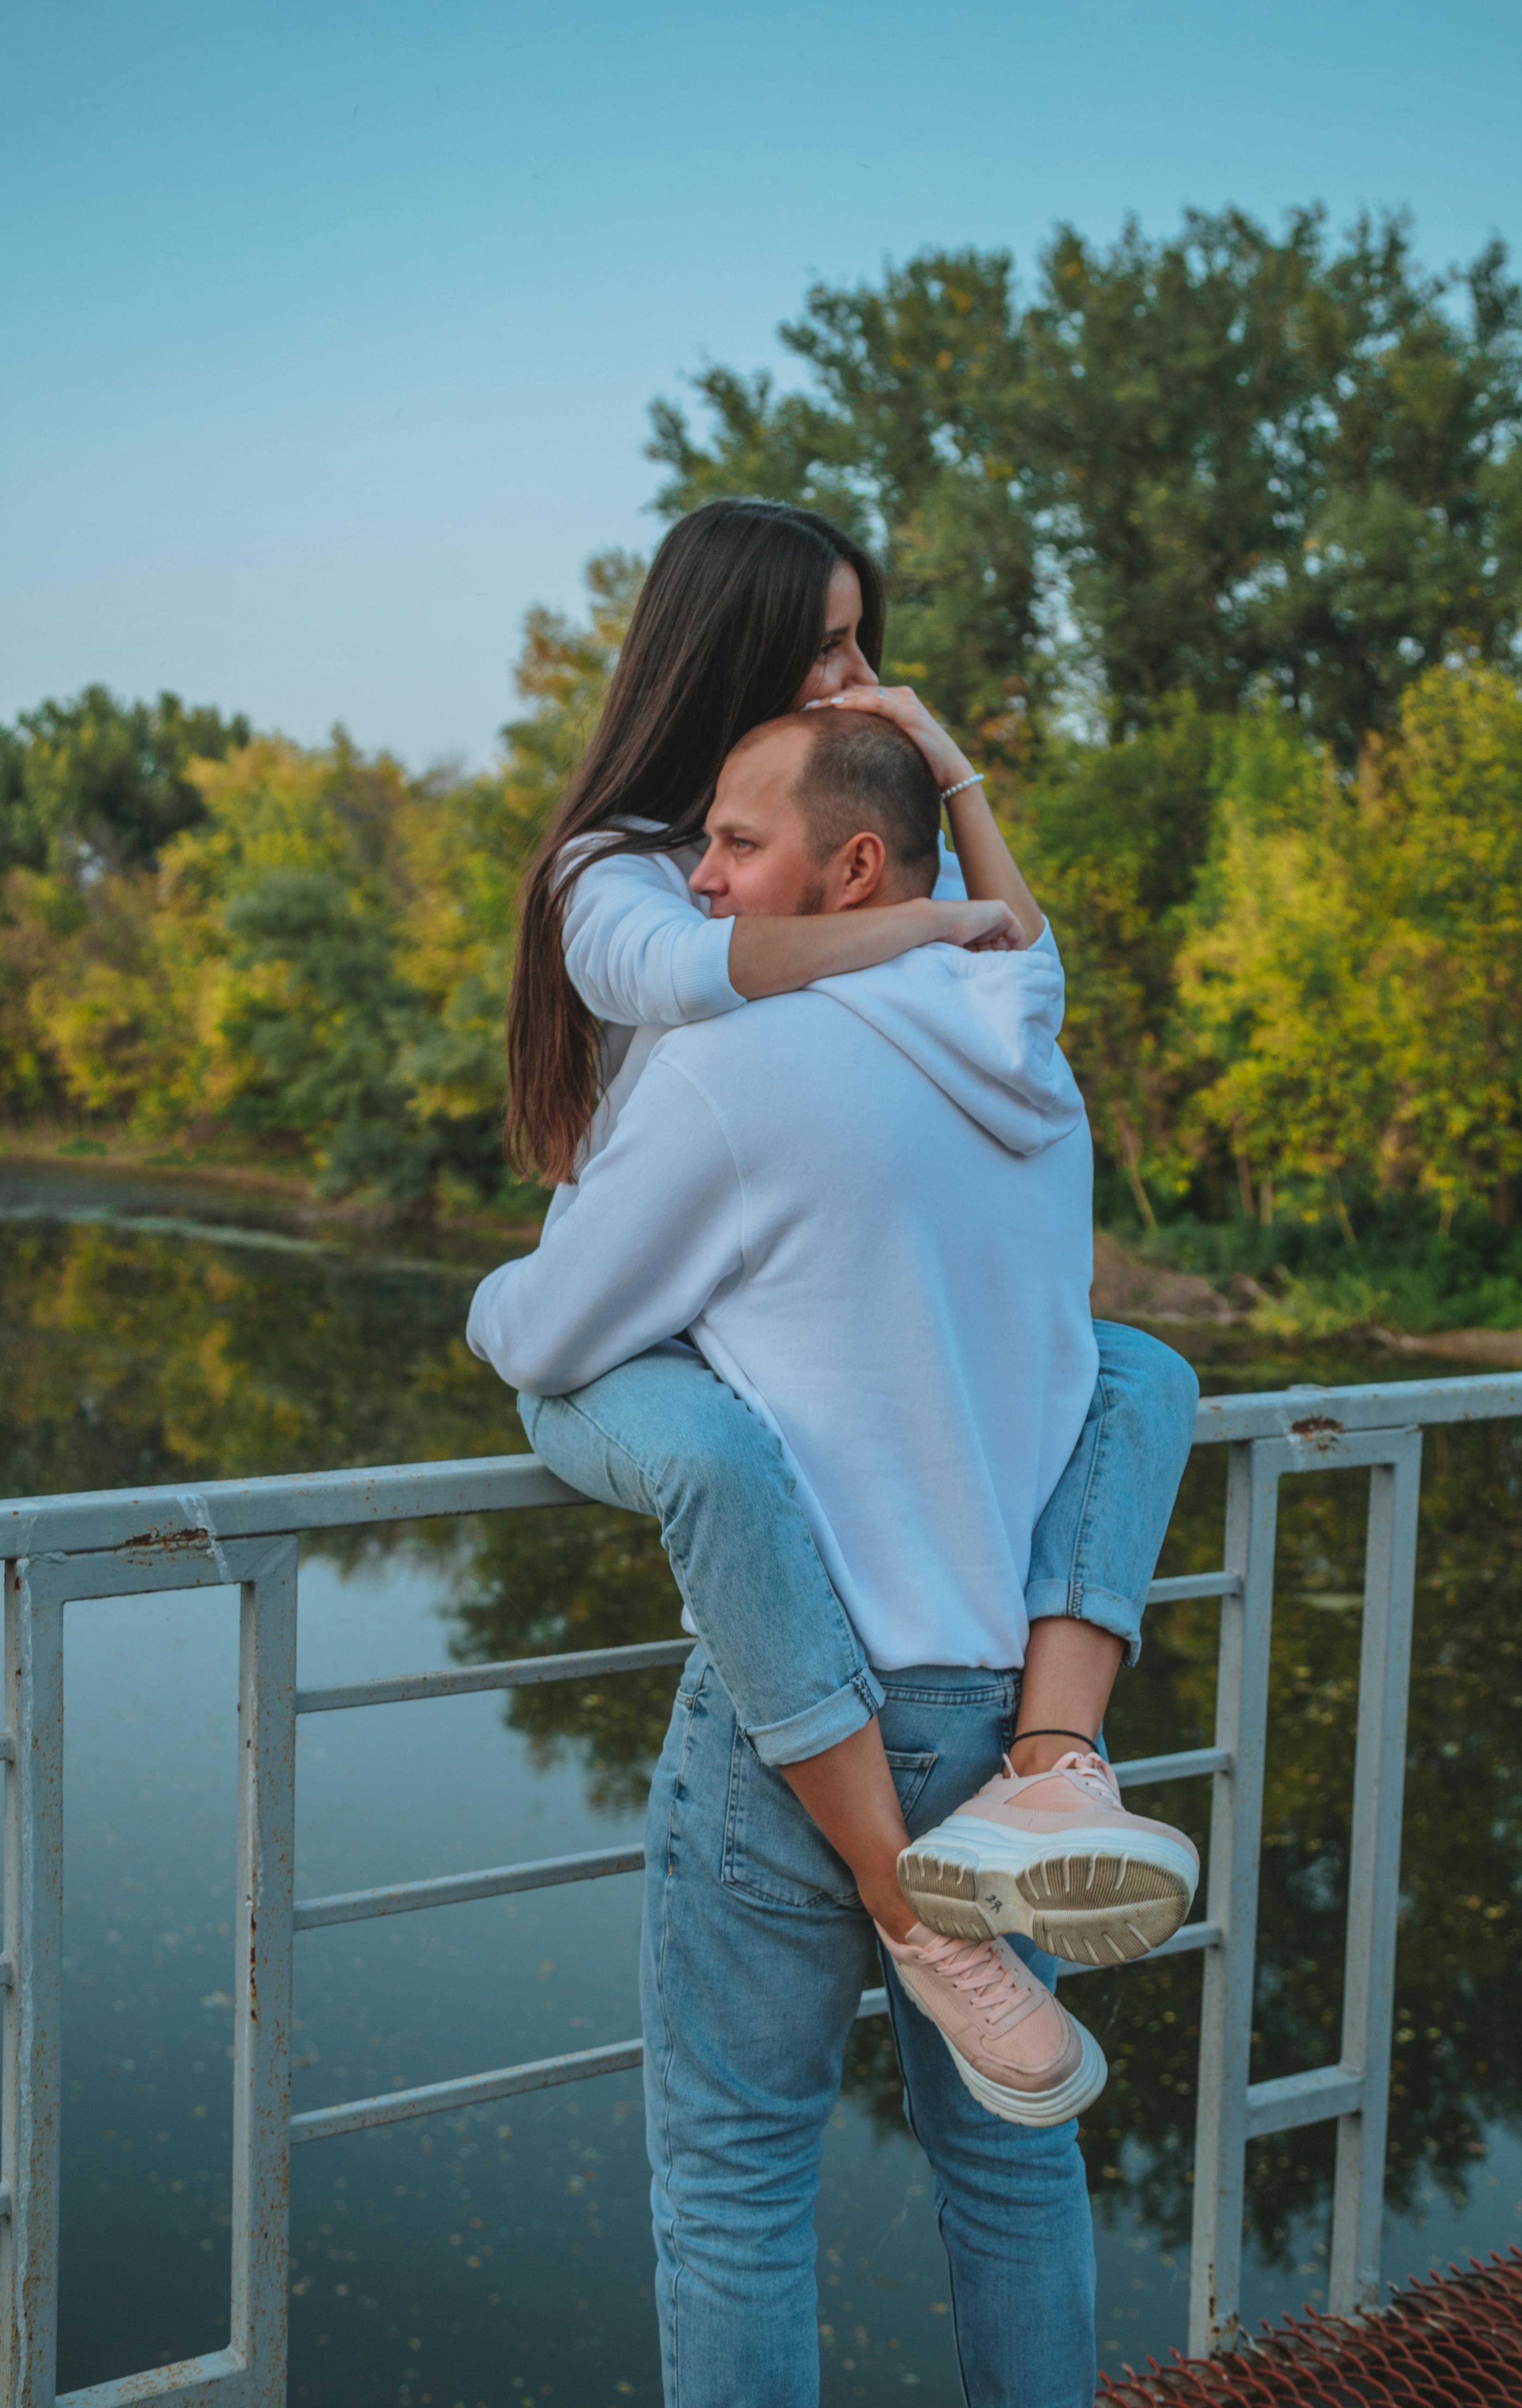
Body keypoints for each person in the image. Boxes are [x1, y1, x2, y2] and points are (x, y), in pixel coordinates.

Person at [469, 705, 1185, 2407]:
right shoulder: (1024, 1044)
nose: (699, 884)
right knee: (1015, 2164)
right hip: (994, 1700)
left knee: (735, 2188)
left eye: (731, 841)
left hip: (805, 1718)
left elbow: (550, 1333)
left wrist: (520, 1268)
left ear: (854, 868)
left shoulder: (739, 1065)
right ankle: (1066, 1770)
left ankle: (919, 1878)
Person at [501, 496, 1199, 1970]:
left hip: (789, 1273)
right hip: (676, 1277)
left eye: (857, 639)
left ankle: (1054, 1763)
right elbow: (687, 972)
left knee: (1136, 1374)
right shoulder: (622, 864)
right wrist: (923, 925)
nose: (854, 672)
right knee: (710, 1455)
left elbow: (1027, 994)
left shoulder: (834, 825)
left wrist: (952, 782)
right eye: (826, 645)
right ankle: (909, 1894)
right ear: (737, 646)